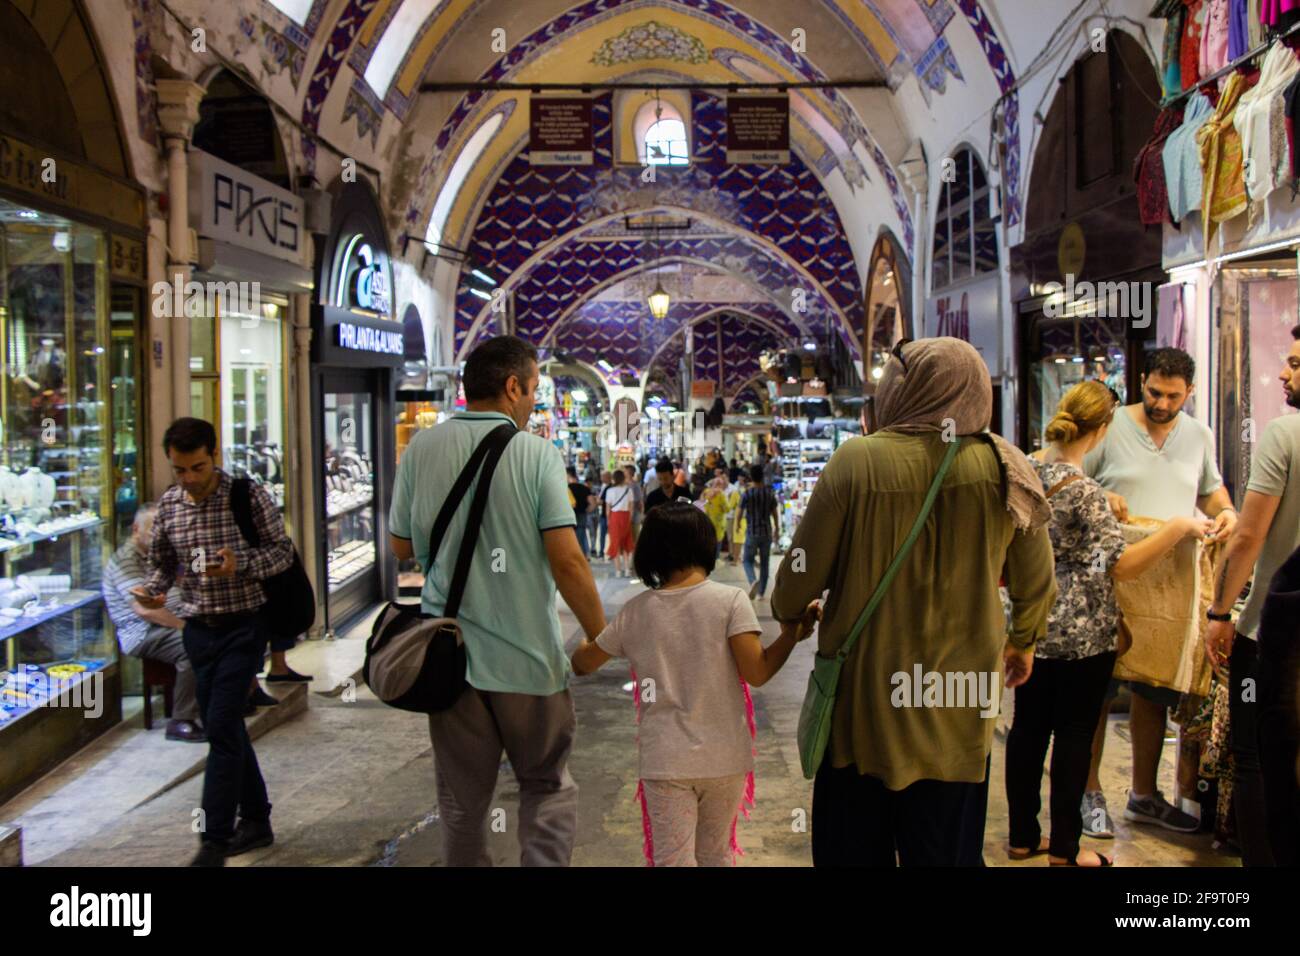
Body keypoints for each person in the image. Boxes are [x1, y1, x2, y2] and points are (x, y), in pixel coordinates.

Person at [771, 338, 1057, 867]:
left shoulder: (856, 462)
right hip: (958, 716)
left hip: (863, 715)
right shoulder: (1006, 467)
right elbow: (1037, 579)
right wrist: (1024, 641)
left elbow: (794, 584)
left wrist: (795, 615)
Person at [388, 335, 606, 867]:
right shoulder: (536, 455)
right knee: (547, 789)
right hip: (528, 664)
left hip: (452, 664)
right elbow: (569, 561)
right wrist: (603, 635)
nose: (535, 402)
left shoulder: (421, 448)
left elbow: (400, 547)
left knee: (462, 806)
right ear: (513, 387)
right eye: (534, 390)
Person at [1007, 382, 1211, 867]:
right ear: (1099, 432)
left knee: (1028, 731)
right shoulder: (1086, 492)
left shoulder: (1027, 471)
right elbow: (1120, 564)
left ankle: (1020, 837)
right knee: (1076, 734)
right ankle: (1065, 851)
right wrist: (1180, 528)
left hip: (1032, 622)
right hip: (1084, 630)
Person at [570, 503, 820, 866]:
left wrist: (581, 647)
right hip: (725, 757)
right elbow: (759, 671)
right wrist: (792, 635)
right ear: (705, 546)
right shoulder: (730, 601)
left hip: (666, 761)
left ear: (650, 551)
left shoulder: (636, 611)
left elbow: (583, 664)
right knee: (716, 856)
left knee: (673, 860)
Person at [1081, 348, 1237, 838]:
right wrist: (1102, 495)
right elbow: (1069, 480)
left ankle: (1143, 796)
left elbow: (1211, 492)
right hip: (1111, 576)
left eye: (1173, 396)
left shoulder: (1198, 435)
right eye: (1153, 392)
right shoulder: (1109, 427)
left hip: (1169, 587)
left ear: (1189, 393)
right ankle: (1088, 795)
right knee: (1098, 691)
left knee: (1152, 689)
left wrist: (1227, 512)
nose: (1161, 404)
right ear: (1140, 381)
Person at [132, 417, 295, 867]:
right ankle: (257, 819)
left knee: (220, 726)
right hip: (198, 630)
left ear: (214, 456)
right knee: (226, 728)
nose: (189, 479)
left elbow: (281, 552)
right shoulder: (171, 506)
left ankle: (214, 839)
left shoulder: (246, 495)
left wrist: (238, 564)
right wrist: (153, 588)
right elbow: (163, 563)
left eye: (197, 468)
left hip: (244, 625)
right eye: (180, 470)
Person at [1204, 324, 1300, 866]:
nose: (1284, 373)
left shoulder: (1284, 436)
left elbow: (1246, 537)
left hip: (1271, 638)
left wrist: (1220, 613)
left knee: (1258, 757)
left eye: (1295, 364)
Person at [102, 504, 203, 742]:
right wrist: (184, 626)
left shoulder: (156, 554)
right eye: (155, 530)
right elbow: (144, 609)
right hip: (144, 631)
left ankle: (232, 700)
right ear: (137, 529)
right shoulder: (126, 561)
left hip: (171, 618)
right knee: (193, 646)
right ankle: (181, 719)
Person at [740, 464, 779, 600]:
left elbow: (740, 510)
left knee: (747, 560)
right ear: (762, 476)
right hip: (766, 532)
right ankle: (761, 592)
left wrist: (738, 524)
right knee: (764, 563)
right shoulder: (769, 493)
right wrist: (777, 529)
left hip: (752, 531)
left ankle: (752, 581)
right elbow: (774, 513)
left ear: (751, 477)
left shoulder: (747, 493)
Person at [604, 469, 636, 577]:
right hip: (626, 516)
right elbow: (631, 507)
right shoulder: (629, 490)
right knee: (626, 542)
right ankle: (627, 569)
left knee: (615, 542)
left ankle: (618, 570)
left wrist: (608, 521)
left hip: (615, 517)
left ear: (614, 479)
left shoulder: (610, 491)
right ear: (623, 478)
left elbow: (608, 509)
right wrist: (629, 519)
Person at [566, 467, 592, 559]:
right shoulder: (584, 488)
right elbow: (593, 503)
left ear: (568, 475)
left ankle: (575, 557)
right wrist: (586, 511)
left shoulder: (566, 488)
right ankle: (583, 556)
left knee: (570, 537)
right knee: (581, 536)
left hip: (569, 516)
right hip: (582, 515)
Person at [625, 465, 646, 542]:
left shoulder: (635, 485)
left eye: (625, 471)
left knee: (634, 537)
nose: (624, 472)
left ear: (629, 473)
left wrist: (641, 514)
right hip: (625, 515)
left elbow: (640, 501)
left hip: (634, 516)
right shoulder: (624, 484)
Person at [595, 470, 613, 558]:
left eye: (602, 476)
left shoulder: (609, 488)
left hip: (607, 514)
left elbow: (601, 501)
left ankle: (606, 552)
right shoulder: (604, 486)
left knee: (607, 534)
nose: (601, 478)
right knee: (604, 534)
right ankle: (603, 552)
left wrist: (597, 500)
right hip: (605, 514)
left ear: (607, 477)